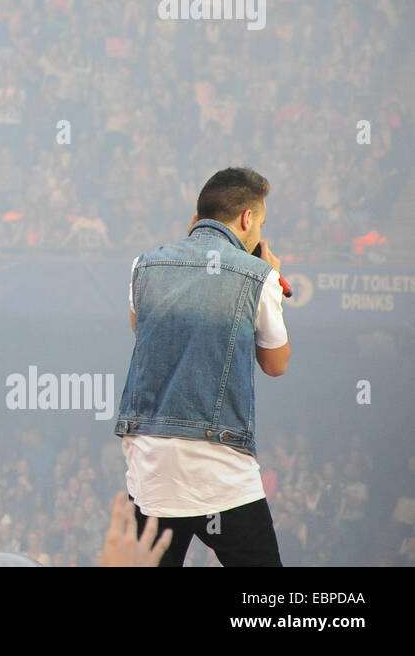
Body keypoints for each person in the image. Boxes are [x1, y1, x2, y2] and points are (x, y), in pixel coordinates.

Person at [114, 166, 291, 566]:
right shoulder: (258, 276)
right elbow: (276, 363)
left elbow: (141, 330)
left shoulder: (143, 265)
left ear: (197, 220)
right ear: (247, 219)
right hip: (219, 468)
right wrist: (272, 284)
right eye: (260, 222)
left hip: (151, 467)